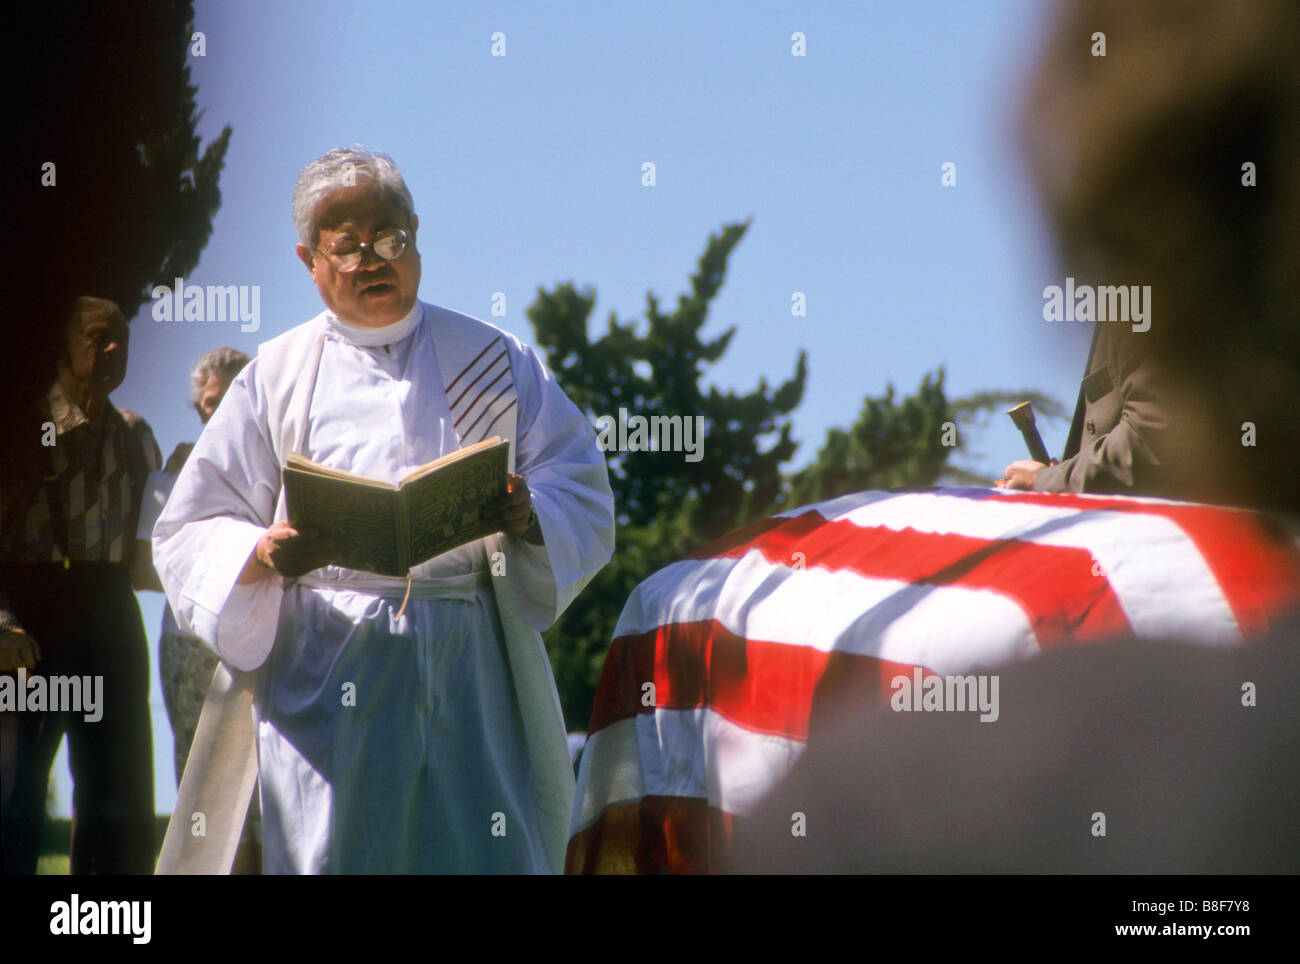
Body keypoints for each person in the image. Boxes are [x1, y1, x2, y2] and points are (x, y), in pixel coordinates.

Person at [153, 146, 615, 873]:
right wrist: (264, 552)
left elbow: (580, 481)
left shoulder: (492, 358)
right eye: (348, 247)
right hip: (330, 666)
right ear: (309, 259)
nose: (376, 260)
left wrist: (529, 513)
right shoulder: (275, 376)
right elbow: (188, 528)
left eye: (392, 239)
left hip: (468, 663)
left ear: (418, 232)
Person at [1, 295, 161, 874]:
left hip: (111, 610)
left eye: (122, 338)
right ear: (65, 349)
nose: (114, 349)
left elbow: (151, 553)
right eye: (98, 337)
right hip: (34, 608)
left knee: (118, 781)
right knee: (18, 785)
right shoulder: (23, 428)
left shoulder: (135, 435)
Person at [134, 346, 250, 784]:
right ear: (199, 409)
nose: (221, 411)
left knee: (263, 772)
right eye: (210, 403)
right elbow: (145, 572)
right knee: (200, 771)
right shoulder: (170, 480)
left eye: (234, 395)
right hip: (189, 638)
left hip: (260, 634)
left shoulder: (276, 471)